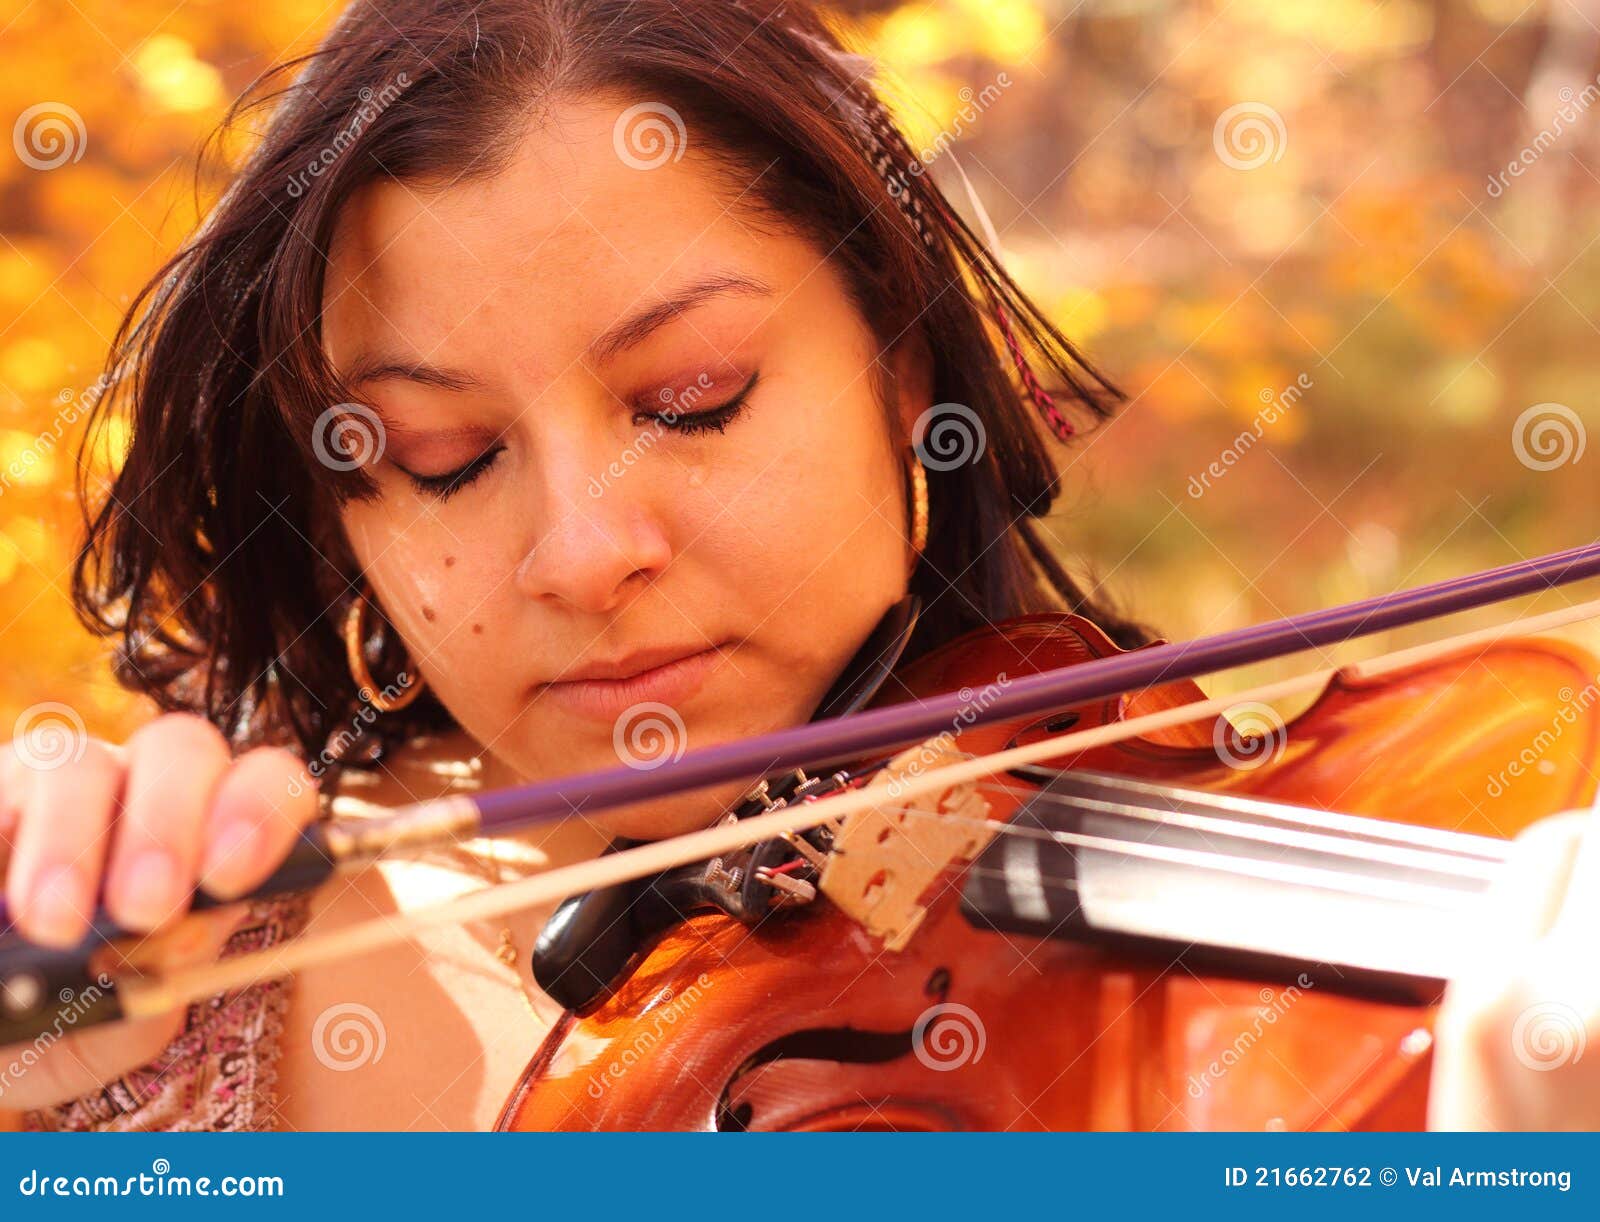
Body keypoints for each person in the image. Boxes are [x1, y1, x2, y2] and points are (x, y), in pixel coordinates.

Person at [0, 0, 1594, 1132]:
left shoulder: (1235, 940)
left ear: (909, 371)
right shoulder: (192, 979)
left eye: (692, 399)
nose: (585, 550)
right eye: (443, 458)